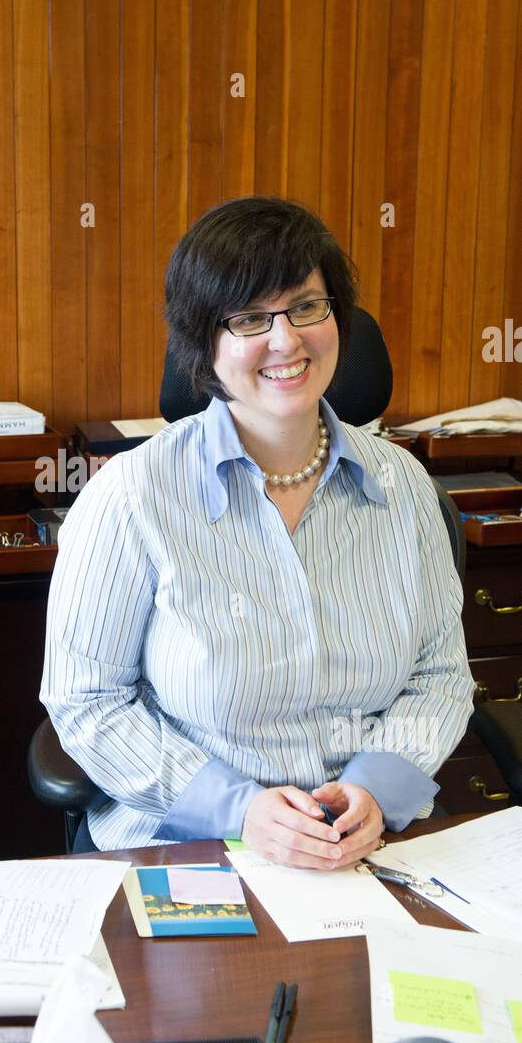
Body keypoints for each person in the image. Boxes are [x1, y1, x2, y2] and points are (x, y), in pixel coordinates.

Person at [40, 197, 476, 864]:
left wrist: (375, 790)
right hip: (191, 844)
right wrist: (238, 808)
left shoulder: (404, 487)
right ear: (203, 344)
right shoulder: (132, 497)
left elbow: (440, 674)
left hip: (370, 845)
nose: (285, 340)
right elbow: (86, 703)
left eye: (306, 306)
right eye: (248, 318)